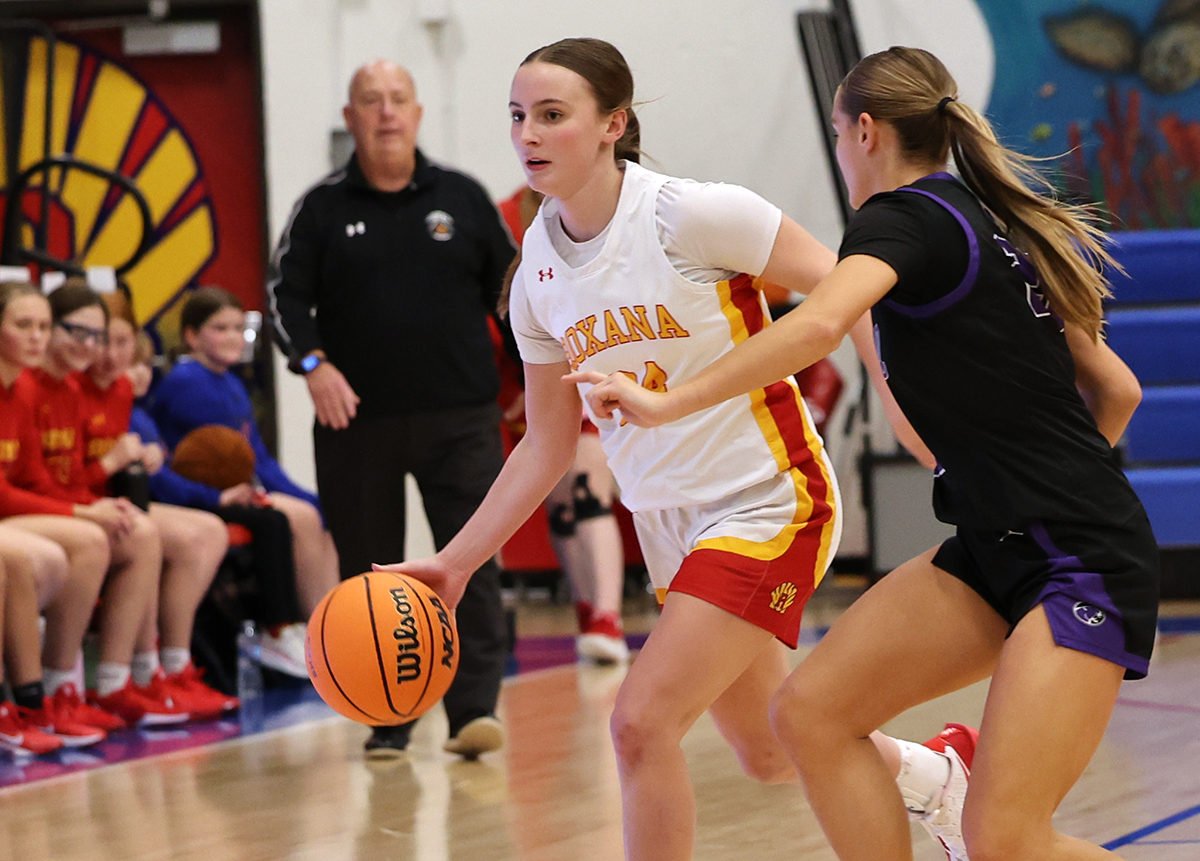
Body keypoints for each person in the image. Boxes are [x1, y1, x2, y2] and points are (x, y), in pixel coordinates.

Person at [379, 38, 966, 860]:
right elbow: (546, 445)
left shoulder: (689, 213)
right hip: (667, 522)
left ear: (613, 123)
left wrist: (905, 408)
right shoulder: (537, 269)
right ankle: (935, 776)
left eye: (553, 115)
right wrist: (455, 561)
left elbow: (848, 286)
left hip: (767, 496)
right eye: (518, 117)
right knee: (767, 750)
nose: (529, 135)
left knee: (638, 724)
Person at [577, 46, 1159, 861]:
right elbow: (1120, 390)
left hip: (1079, 561)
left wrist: (668, 400)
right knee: (810, 712)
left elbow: (818, 324)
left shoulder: (901, 216)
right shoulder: (992, 224)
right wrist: (1031, 481)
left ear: (864, 130)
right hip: (1002, 545)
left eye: (840, 138)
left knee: (1006, 841)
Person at [268, 59, 515, 759]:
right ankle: (388, 714)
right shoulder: (320, 208)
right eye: (370, 101)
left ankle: (473, 711)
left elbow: (517, 294)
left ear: (417, 113)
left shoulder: (463, 200)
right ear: (349, 117)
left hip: (463, 416)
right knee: (368, 573)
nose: (385, 112)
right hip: (357, 424)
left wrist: (531, 379)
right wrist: (312, 364)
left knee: (471, 561)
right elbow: (283, 298)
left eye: (397, 99)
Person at [152, 286, 339, 678]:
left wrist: (314, 498)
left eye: (239, 328)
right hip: (199, 492)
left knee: (315, 512)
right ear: (191, 336)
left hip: (231, 487)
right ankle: (294, 629)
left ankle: (327, 628)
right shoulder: (189, 382)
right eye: (220, 328)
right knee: (300, 517)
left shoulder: (230, 382)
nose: (234, 337)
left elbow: (260, 461)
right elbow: (224, 462)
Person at [83, 299, 237, 718]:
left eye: (122, 342)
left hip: (111, 498)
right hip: (89, 503)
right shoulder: (78, 388)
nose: (111, 353)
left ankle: (170, 665)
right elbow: (79, 468)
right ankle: (131, 674)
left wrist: (145, 454)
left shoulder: (121, 390)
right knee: (148, 533)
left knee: (209, 531)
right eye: (103, 341)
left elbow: (137, 452)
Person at [497, 185, 629, 663]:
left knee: (589, 493)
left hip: (594, 374)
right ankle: (587, 606)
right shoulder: (509, 222)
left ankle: (608, 616)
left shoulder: (612, 214)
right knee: (561, 508)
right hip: (538, 382)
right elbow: (498, 318)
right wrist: (511, 394)